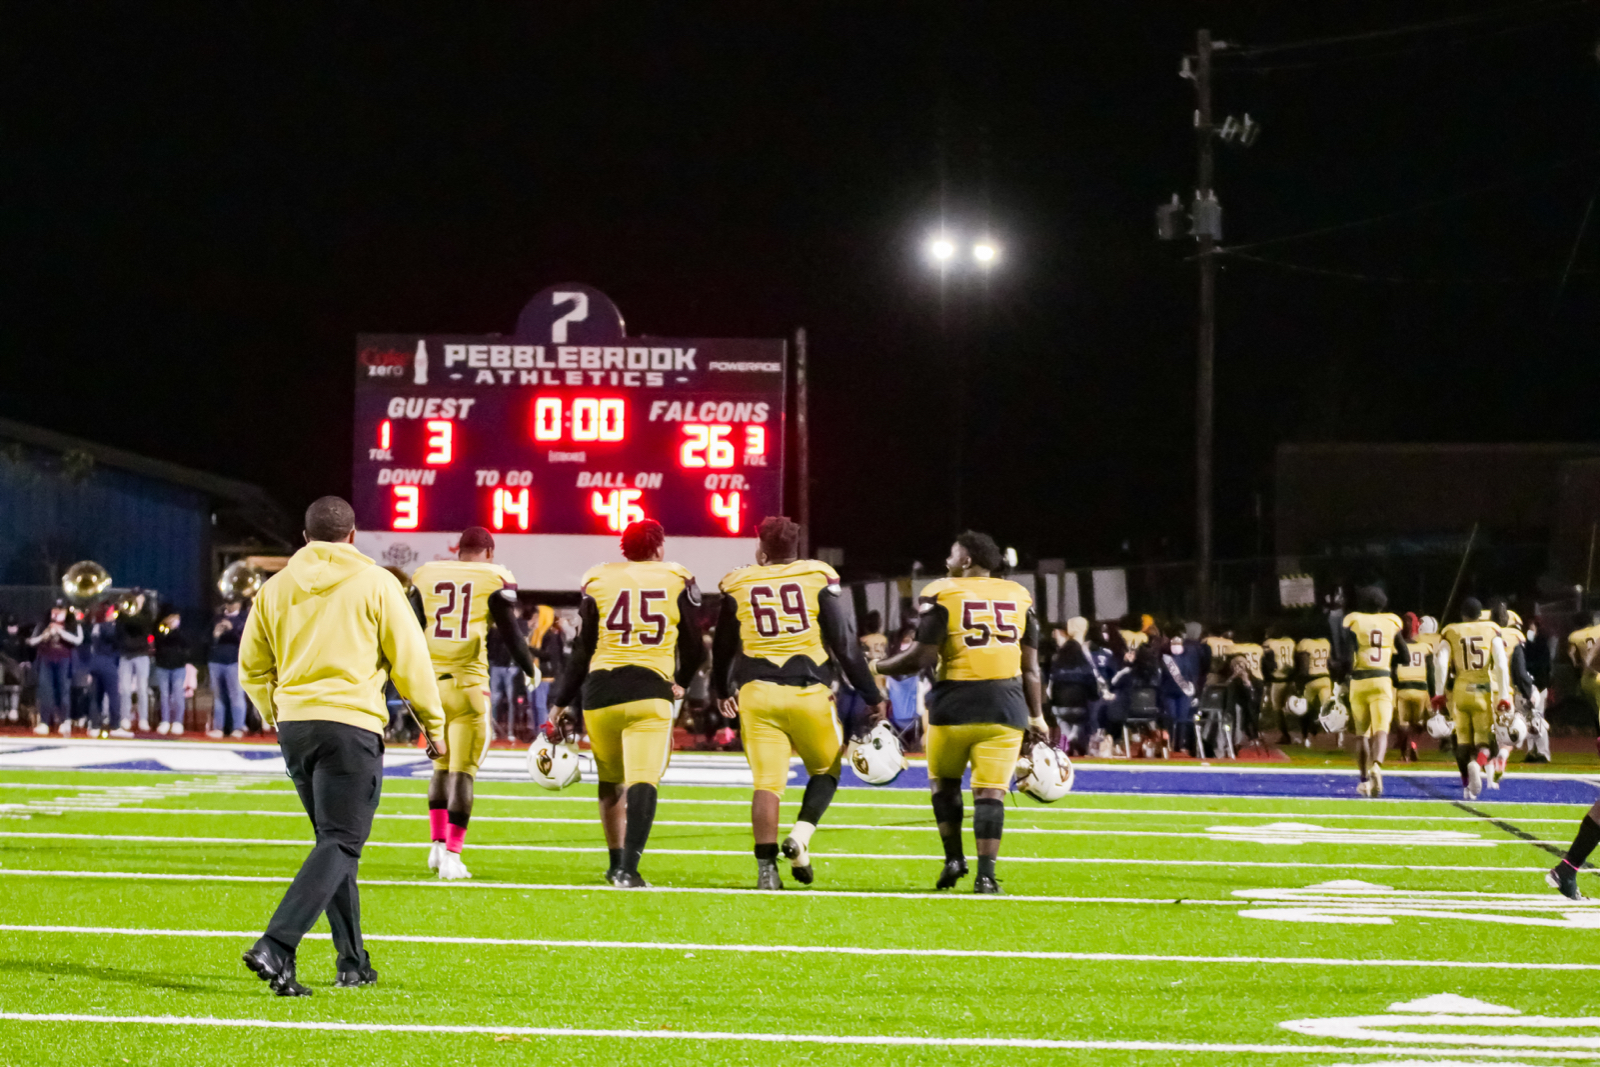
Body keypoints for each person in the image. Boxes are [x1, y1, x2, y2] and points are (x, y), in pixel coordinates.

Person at [238, 496, 446, 997]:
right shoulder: (378, 583)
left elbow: (251, 667)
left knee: (333, 844)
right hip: (350, 725)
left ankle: (352, 960)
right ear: (353, 536)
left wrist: (276, 712)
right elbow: (410, 659)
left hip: (297, 727)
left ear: (305, 538)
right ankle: (277, 943)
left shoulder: (275, 588)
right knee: (341, 841)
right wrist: (433, 725)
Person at [711, 517, 881, 888]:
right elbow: (845, 644)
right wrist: (872, 695)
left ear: (762, 548)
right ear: (796, 549)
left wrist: (720, 689)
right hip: (809, 692)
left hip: (757, 693)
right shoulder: (816, 576)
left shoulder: (739, 582)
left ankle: (766, 871)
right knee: (826, 771)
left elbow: (724, 645)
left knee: (767, 785)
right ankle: (800, 837)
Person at [876, 530, 1047, 895]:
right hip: (1006, 704)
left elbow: (921, 656)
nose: (947, 561)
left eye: (953, 555)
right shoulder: (1019, 595)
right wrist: (1038, 716)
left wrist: (878, 668)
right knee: (991, 793)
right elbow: (1031, 667)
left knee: (944, 784)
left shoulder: (944, 592)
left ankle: (954, 858)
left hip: (953, 704)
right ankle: (986, 877)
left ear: (967, 560)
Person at [550, 519, 704, 888]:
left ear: (624, 549)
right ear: (659, 547)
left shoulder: (598, 578)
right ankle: (628, 870)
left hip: (599, 692)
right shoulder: (676, 577)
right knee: (644, 779)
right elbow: (695, 645)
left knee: (610, 780)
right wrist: (681, 682)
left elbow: (583, 649)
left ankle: (614, 862)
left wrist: (559, 703)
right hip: (649, 689)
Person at [409, 527, 537, 881]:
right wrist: (530, 667)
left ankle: (436, 847)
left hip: (431, 689)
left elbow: (410, 627)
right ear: (489, 552)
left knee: (440, 769)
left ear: (458, 549)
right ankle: (452, 854)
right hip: (468, 686)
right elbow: (510, 630)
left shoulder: (427, 574)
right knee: (463, 772)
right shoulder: (494, 576)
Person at [1433, 597, 1509, 801]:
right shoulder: (1490, 629)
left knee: (1462, 740)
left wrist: (1439, 693)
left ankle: (1466, 783)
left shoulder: (1452, 631)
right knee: (1484, 740)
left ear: (1462, 614)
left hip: (1460, 690)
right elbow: (1501, 664)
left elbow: (1440, 664)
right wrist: (1503, 696)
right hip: (1482, 689)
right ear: (1479, 615)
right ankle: (1478, 762)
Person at [1336, 587, 1409, 798]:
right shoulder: (1391, 622)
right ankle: (1377, 765)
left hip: (1360, 680)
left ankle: (1364, 778)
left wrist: (1341, 680)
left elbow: (1348, 658)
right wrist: (1386, 660)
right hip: (1382, 679)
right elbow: (1404, 656)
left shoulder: (1354, 621)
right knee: (1381, 731)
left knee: (1362, 735)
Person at [26, 602, 81, 736]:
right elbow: (31, 641)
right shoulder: (43, 624)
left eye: (60, 610)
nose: (57, 613)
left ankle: (65, 721)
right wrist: (43, 636)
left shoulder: (72, 624)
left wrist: (61, 632)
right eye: (54, 610)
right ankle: (44, 722)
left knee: (63, 691)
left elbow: (78, 640)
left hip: (64, 660)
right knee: (45, 691)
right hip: (46, 660)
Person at [1392, 613, 1437, 763]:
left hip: (1402, 688)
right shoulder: (1425, 647)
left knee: (1402, 724)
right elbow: (1431, 673)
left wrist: (1395, 685)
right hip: (1421, 688)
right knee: (1419, 723)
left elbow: (1392, 670)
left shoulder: (1395, 648)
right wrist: (1433, 694)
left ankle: (1404, 754)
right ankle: (1414, 743)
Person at [208, 597, 251, 738]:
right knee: (218, 696)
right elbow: (207, 640)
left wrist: (232, 629)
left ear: (238, 603)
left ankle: (238, 727)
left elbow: (246, 638)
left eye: (233, 602)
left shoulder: (243, 618)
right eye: (228, 602)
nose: (230, 605)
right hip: (216, 661)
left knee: (236, 695)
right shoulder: (217, 618)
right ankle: (219, 727)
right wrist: (215, 635)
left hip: (234, 662)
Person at [1158, 628, 1203, 756]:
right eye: (1174, 645)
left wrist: (1194, 692)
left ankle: (1181, 744)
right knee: (1172, 718)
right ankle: (1172, 743)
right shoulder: (1165, 660)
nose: (1176, 647)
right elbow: (1161, 678)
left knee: (1182, 718)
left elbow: (1193, 677)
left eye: (1178, 645)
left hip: (1183, 694)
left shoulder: (1188, 660)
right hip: (1169, 693)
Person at [115, 589, 155, 732]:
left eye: (139, 596)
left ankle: (143, 719)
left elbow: (143, 626)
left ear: (143, 598)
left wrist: (137, 608)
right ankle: (125, 718)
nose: (136, 598)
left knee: (142, 689)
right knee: (125, 689)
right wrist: (124, 612)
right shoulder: (122, 614)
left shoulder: (147, 613)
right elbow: (119, 630)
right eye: (134, 596)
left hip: (142, 654)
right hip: (126, 655)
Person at [83, 603, 124, 738]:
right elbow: (114, 639)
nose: (114, 615)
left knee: (95, 696)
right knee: (113, 695)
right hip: (107, 663)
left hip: (94, 663)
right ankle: (115, 726)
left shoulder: (95, 626)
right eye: (112, 613)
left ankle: (94, 726)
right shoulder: (108, 627)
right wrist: (116, 625)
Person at [152, 608, 193, 735]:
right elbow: (157, 641)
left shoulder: (182, 631)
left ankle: (177, 722)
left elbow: (185, 643)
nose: (173, 621)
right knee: (164, 694)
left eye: (176, 618)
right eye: (171, 618)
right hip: (162, 666)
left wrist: (175, 629)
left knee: (177, 694)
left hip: (178, 667)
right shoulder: (160, 629)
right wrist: (165, 628)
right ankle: (164, 721)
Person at [1293, 625, 1334, 744]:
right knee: (1326, 709)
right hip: (1325, 679)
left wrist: (1299, 682)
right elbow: (1330, 663)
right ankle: (1337, 739)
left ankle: (1306, 736)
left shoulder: (1305, 643)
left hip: (1311, 680)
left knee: (1304, 710)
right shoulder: (1325, 642)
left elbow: (1304, 668)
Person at [1262, 626, 1297, 744]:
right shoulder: (1290, 642)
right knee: (1291, 707)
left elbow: (1267, 660)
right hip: (1290, 677)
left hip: (1278, 678)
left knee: (1277, 709)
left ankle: (1285, 735)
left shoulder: (1270, 643)